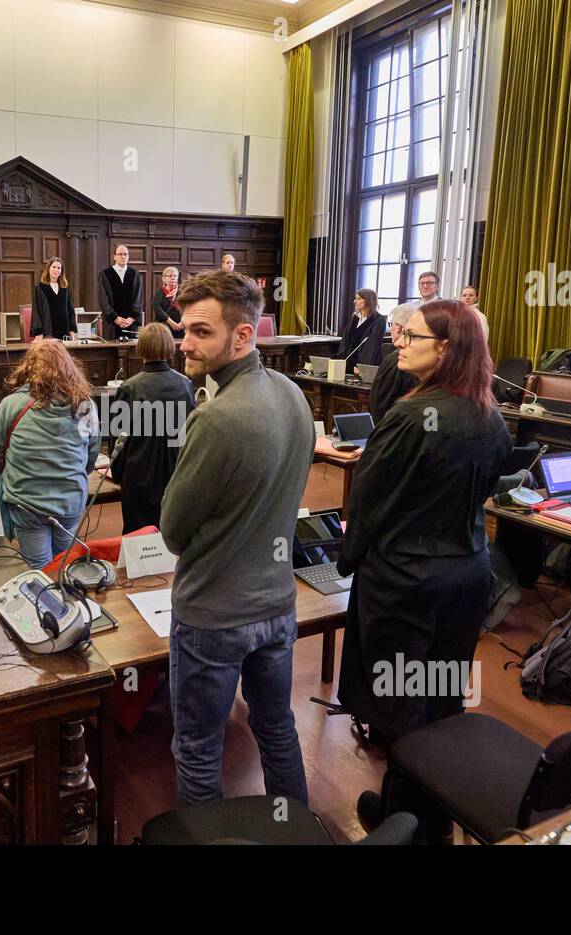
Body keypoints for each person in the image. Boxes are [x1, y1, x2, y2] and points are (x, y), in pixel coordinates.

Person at [336, 300, 510, 831]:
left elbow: (368, 500)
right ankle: (423, 813)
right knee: (441, 693)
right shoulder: (491, 415)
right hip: (469, 571)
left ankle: (409, 824)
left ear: (447, 349)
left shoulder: (410, 417)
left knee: (398, 704)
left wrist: (350, 558)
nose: (399, 342)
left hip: (407, 578)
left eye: (411, 336)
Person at [159, 270, 315, 805]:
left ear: (243, 336)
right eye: (184, 330)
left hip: (214, 617)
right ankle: (300, 838)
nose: (186, 343)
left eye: (202, 332)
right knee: (277, 730)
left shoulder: (217, 417)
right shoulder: (295, 396)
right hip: (277, 604)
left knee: (199, 750)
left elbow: (174, 532)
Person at [0, 340, 100, 568]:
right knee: (66, 566)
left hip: (26, 501)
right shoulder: (85, 406)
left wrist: (3, 479)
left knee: (40, 571)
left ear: (28, 367)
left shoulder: (11, 405)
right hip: (70, 500)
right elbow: (91, 455)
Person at [109, 323, 195, 533]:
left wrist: (118, 474)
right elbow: (191, 431)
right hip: (176, 471)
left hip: (139, 474)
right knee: (172, 532)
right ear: (169, 348)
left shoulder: (130, 387)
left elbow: (117, 439)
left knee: (139, 536)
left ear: (141, 348)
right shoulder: (185, 384)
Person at [367, 304, 419, 421]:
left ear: (399, 327)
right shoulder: (419, 358)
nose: (390, 329)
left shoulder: (397, 358)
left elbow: (379, 402)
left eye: (391, 324)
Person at [98, 244, 142, 339]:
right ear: (114, 256)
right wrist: (115, 317)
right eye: (120, 254)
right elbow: (103, 299)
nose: (123, 256)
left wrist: (131, 318)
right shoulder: (105, 274)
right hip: (112, 324)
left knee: (131, 351)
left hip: (130, 323)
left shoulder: (134, 274)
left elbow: (138, 298)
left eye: (126, 254)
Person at [336, 288, 386, 368]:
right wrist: (339, 362)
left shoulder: (379, 320)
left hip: (362, 366)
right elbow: (344, 341)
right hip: (346, 365)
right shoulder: (355, 318)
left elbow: (372, 348)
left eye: (358, 298)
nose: (354, 301)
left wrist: (362, 368)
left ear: (368, 300)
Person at [31, 256, 76, 340]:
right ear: (48, 269)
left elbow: (70, 310)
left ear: (61, 271)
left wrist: (72, 331)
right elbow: (36, 311)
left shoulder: (65, 288)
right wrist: (39, 333)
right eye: (54, 267)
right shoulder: (40, 288)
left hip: (64, 333)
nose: (56, 270)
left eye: (59, 268)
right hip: (48, 332)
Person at [152, 266, 185, 334]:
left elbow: (188, 308)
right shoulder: (159, 293)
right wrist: (171, 323)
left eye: (175, 276)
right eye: (170, 276)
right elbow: (158, 310)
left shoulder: (182, 293)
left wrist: (183, 322)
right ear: (164, 279)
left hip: (180, 328)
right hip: (163, 329)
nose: (173, 278)